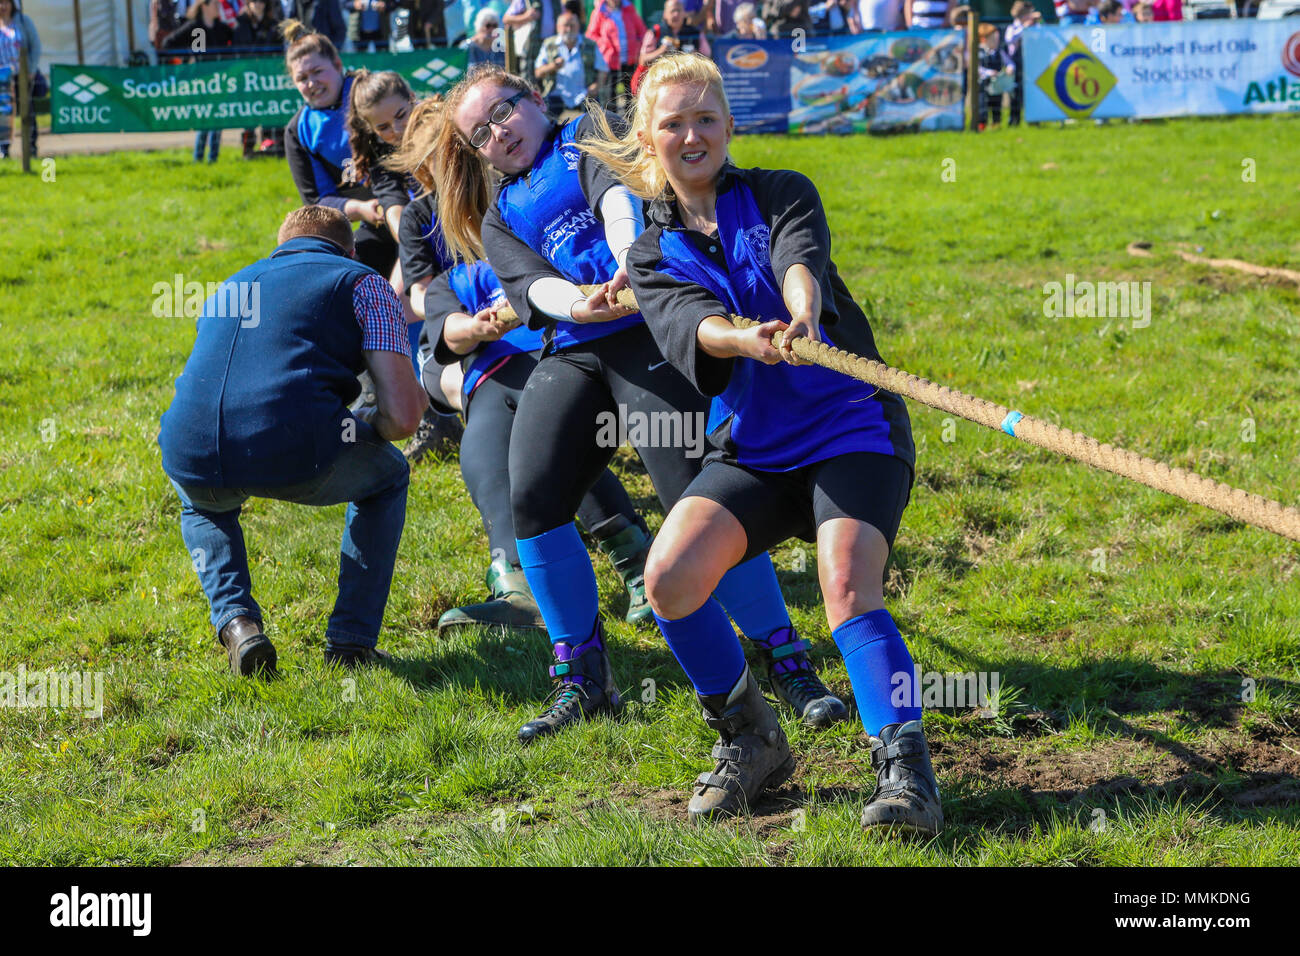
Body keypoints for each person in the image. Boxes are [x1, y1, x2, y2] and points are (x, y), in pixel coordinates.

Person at [432, 64, 844, 743]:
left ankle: (784, 659)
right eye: (480, 133)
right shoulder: (501, 214)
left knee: (696, 501)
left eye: (503, 112)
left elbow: (616, 200)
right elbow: (531, 288)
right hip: (575, 347)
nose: (498, 133)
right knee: (531, 494)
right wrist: (580, 304)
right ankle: (584, 680)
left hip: (654, 331)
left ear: (534, 99)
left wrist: (631, 267)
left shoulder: (587, 134)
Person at [584, 52, 937, 832]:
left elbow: (798, 259)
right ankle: (750, 736)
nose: (692, 134)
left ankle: (905, 768)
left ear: (729, 125)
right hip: (754, 446)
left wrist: (800, 313)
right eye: (672, 123)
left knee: (847, 583)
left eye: (705, 118)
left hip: (852, 425)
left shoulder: (781, 190)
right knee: (670, 578)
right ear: (649, 138)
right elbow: (692, 328)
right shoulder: (648, 252)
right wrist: (747, 340)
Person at [159, 205, 427, 675]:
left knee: (203, 504)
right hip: (291, 441)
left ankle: (238, 624)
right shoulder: (363, 281)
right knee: (387, 476)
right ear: (350, 250)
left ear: (278, 250)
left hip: (188, 442)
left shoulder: (233, 281)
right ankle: (351, 642)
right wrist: (366, 423)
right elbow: (405, 417)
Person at [163, 0, 234, 163]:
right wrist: (186, 59)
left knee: (218, 121)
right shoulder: (198, 29)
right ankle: (199, 157)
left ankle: (213, 157)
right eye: (215, 4)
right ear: (205, 6)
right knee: (205, 120)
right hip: (204, 82)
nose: (218, 7)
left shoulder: (221, 29)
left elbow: (233, 47)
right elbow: (171, 44)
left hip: (220, 81)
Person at [234, 0, 284, 158]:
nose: (258, 4)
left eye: (262, 1)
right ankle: (247, 148)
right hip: (247, 76)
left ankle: (269, 146)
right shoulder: (241, 23)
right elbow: (238, 47)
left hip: (267, 76)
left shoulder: (273, 24)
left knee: (269, 110)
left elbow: (278, 49)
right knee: (250, 113)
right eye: (255, 1)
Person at [535, 11, 605, 116]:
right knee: (545, 122)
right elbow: (538, 72)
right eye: (565, 25)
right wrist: (552, 66)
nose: (569, 29)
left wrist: (597, 85)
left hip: (584, 93)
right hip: (556, 94)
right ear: (558, 27)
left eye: (572, 25)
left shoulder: (590, 44)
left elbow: (603, 69)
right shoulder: (549, 44)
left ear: (578, 26)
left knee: (598, 120)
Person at [635, 0, 710, 94]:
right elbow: (643, 59)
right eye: (672, 11)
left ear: (684, 13)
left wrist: (695, 55)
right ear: (665, 14)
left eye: (678, 11)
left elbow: (708, 59)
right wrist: (661, 50)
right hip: (661, 86)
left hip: (689, 86)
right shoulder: (655, 32)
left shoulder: (695, 33)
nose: (676, 14)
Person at [586, 0, 646, 113]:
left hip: (629, 59)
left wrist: (638, 45)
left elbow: (642, 30)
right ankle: (611, 124)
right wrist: (605, 43)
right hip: (609, 61)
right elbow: (591, 35)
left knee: (630, 95)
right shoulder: (599, 12)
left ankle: (629, 124)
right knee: (610, 97)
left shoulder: (629, 9)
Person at [1003, 0, 1039, 126]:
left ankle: (1034, 120)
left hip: (1031, 63)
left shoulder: (1035, 26)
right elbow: (1010, 40)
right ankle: (1014, 120)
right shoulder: (1012, 28)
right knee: (1016, 93)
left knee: (1033, 92)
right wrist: (1025, 28)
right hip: (1017, 64)